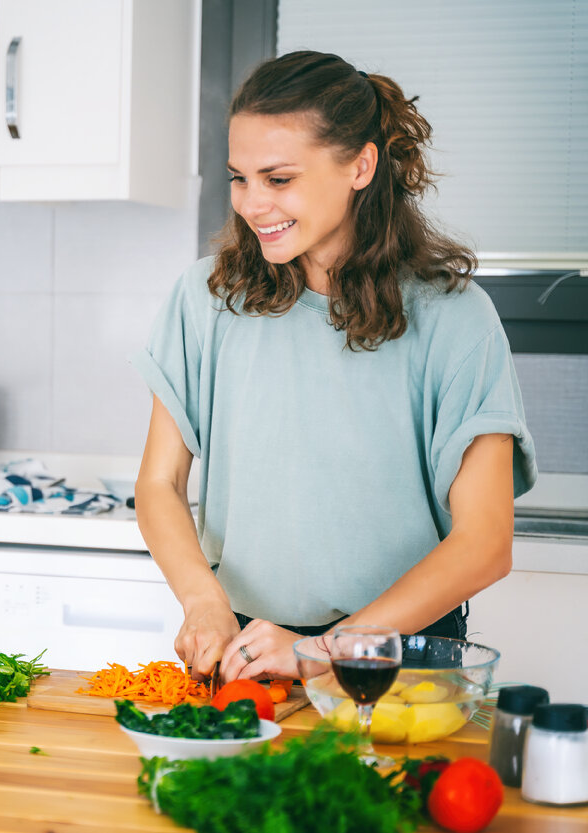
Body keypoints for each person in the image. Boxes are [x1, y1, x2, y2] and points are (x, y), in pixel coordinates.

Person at [131, 50, 537, 684]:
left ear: (361, 166)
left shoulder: (455, 318)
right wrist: (203, 602)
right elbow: (159, 484)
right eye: (239, 178)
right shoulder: (205, 299)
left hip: (401, 659)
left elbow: (486, 542)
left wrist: (324, 651)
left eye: (279, 178)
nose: (252, 203)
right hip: (249, 653)